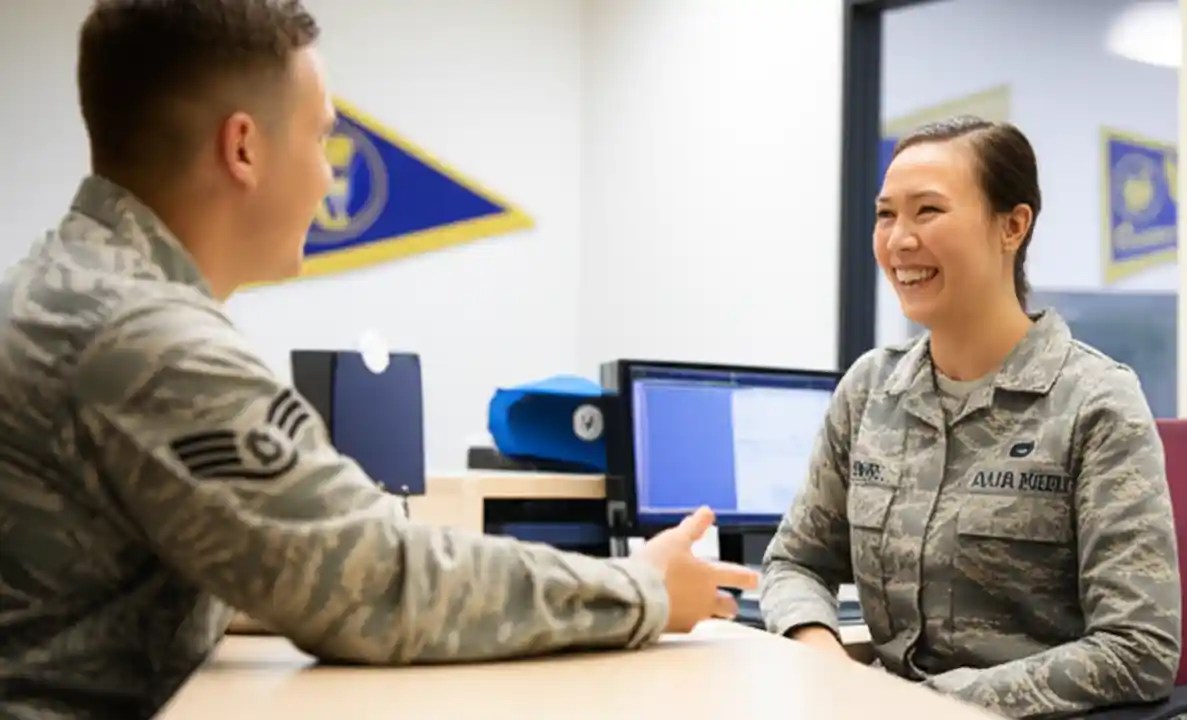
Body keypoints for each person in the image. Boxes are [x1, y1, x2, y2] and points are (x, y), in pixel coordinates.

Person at [0, 1, 757, 717]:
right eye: (321, 140)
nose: (329, 176)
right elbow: (374, 578)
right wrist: (641, 588)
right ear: (244, 148)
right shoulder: (145, 338)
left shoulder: (72, 287)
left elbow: (284, 562)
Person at [759, 115, 1181, 718]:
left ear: (1012, 226)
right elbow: (795, 562)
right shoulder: (869, 390)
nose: (899, 240)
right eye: (886, 215)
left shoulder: (1096, 402)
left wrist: (924, 704)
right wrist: (822, 655)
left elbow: (1139, 649)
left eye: (928, 211)